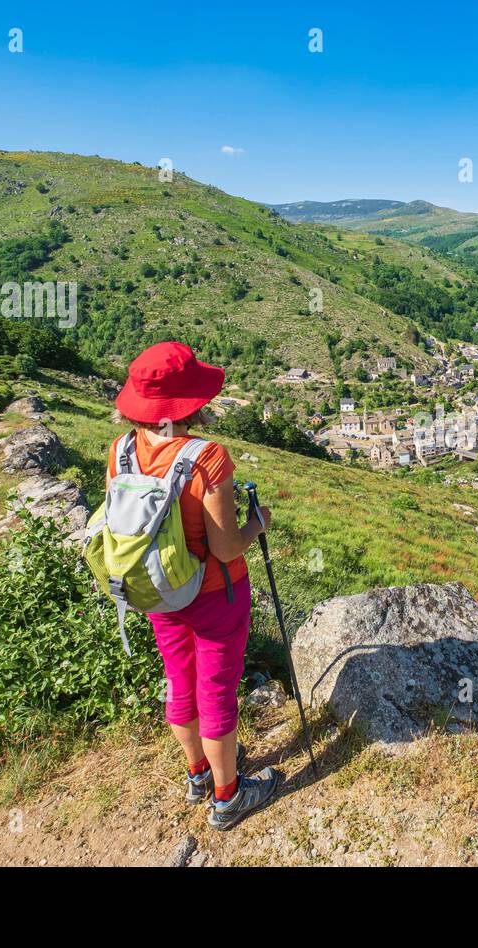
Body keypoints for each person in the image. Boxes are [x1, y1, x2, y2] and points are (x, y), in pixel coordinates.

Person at [109, 341, 280, 830]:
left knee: (178, 680)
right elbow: (228, 548)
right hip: (214, 595)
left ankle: (198, 773)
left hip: (157, 591)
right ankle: (229, 796)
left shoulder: (120, 452)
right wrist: (259, 522)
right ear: (191, 403)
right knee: (217, 690)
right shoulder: (208, 458)